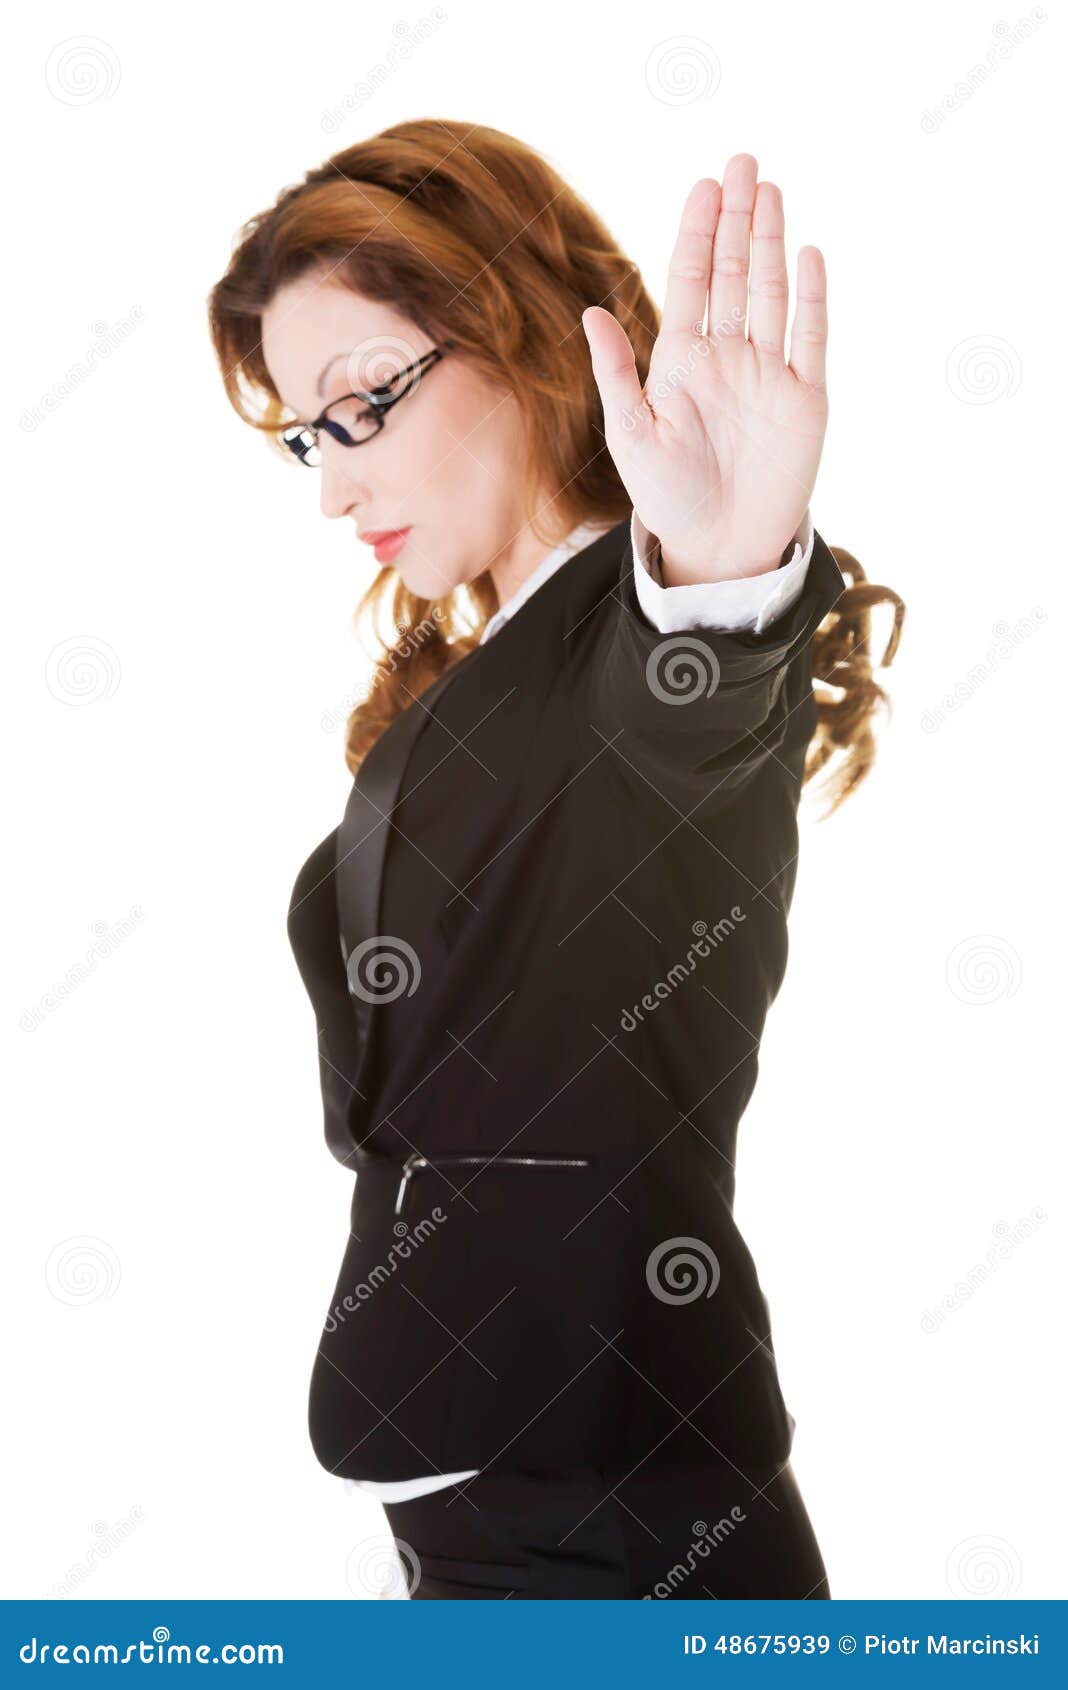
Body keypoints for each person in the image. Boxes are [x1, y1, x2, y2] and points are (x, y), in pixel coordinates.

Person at [208, 120, 904, 1600]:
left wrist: (721, 575)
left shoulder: (630, 634)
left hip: (624, 1533)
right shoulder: (493, 668)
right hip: (495, 1527)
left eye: (362, 405)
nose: (333, 488)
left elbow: (685, 710)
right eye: (308, 434)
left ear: (518, 334)